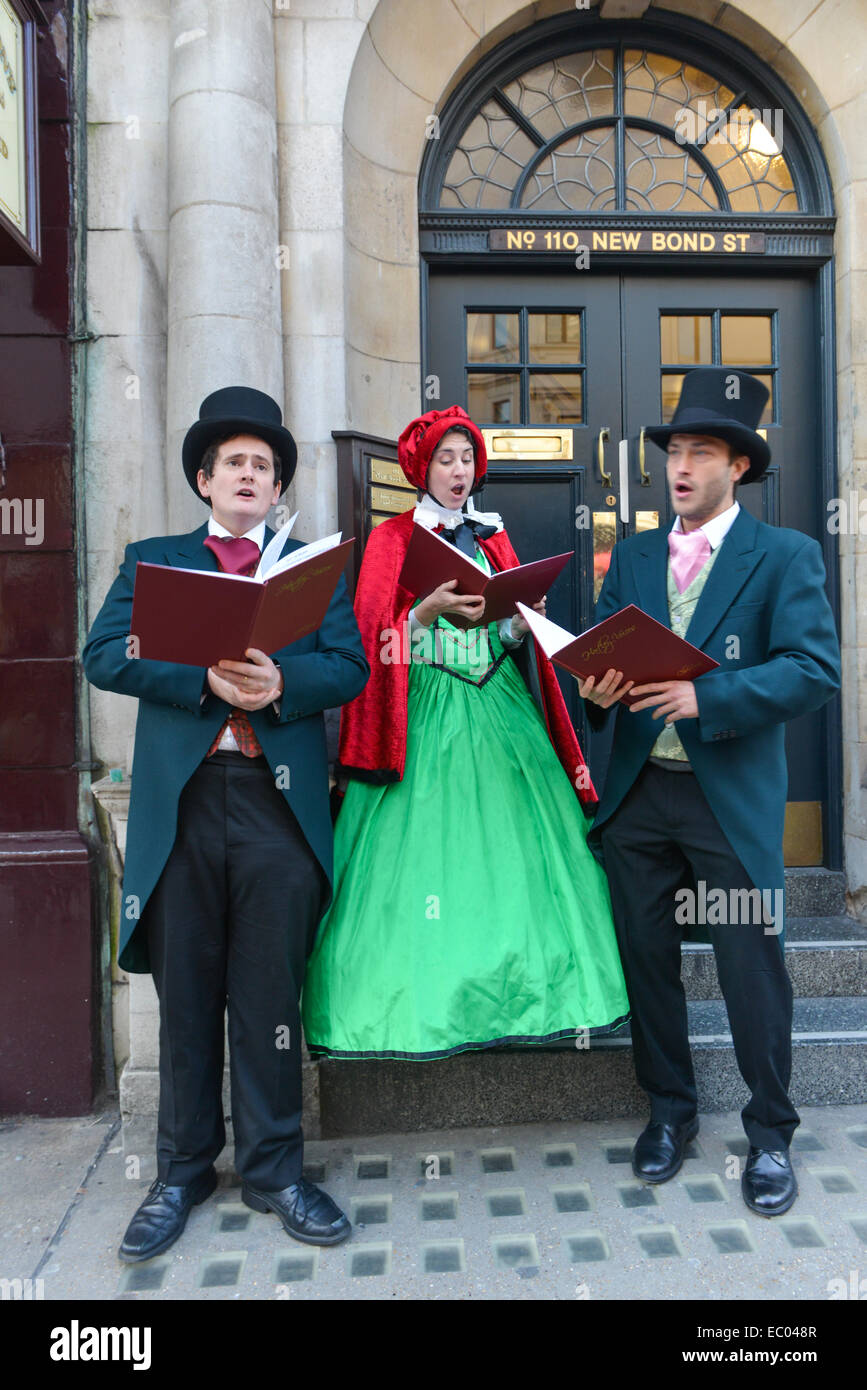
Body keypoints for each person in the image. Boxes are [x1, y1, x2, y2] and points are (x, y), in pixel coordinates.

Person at [83, 386, 369, 1261]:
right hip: (185, 804)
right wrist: (199, 679)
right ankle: (180, 1171)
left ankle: (277, 1169)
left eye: (264, 465)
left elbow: (350, 665)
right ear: (205, 479)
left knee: (268, 997)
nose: (250, 475)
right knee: (185, 994)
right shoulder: (153, 559)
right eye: (235, 463)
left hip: (276, 801)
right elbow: (103, 655)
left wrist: (285, 685)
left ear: (277, 486)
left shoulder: (312, 570)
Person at [579, 367, 840, 1216]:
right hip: (638, 797)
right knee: (647, 963)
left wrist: (708, 695)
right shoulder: (637, 553)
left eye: (699, 452)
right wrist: (595, 682)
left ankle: (769, 1134)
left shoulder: (787, 556)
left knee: (747, 966)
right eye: (673, 452)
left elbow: (812, 671)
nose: (679, 466)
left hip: (724, 803)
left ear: (738, 467)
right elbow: (604, 644)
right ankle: (669, 1113)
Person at [301, 405, 630, 1059]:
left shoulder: (491, 536)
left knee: (520, 858)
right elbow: (372, 646)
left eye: (466, 459)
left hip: (501, 709)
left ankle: (535, 996)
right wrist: (421, 612)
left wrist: (516, 621)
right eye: (445, 459)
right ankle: (424, 1006)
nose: (458, 471)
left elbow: (511, 640)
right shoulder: (394, 540)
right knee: (427, 858)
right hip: (421, 713)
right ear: (421, 469)